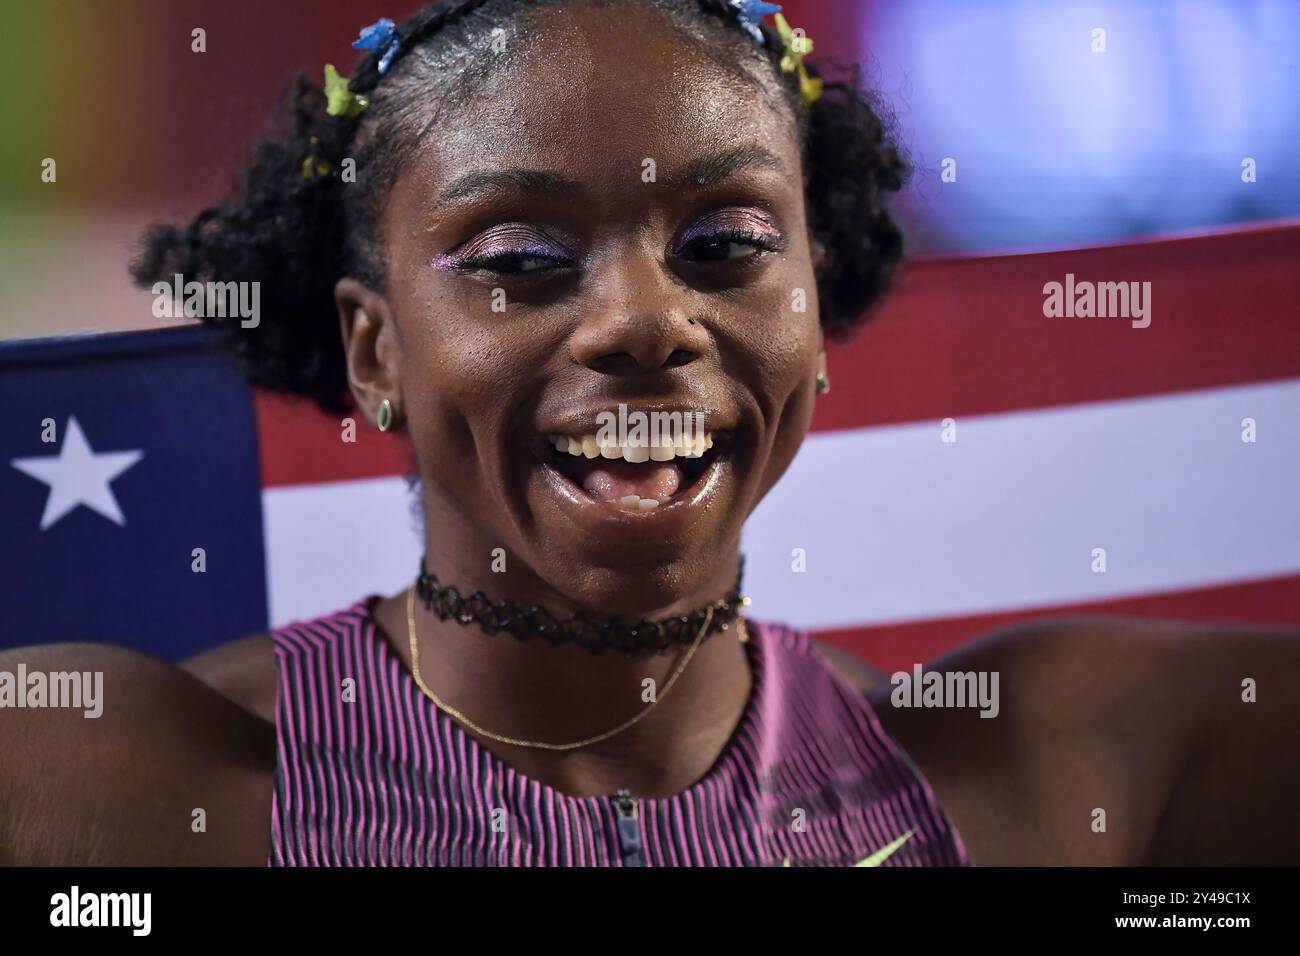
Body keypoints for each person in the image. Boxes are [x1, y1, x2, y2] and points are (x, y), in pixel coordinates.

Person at [2, 0, 1296, 867]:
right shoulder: (106, 785)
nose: (645, 320)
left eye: (727, 247)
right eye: (522, 257)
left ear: (814, 315)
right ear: (376, 349)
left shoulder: (1048, 770)